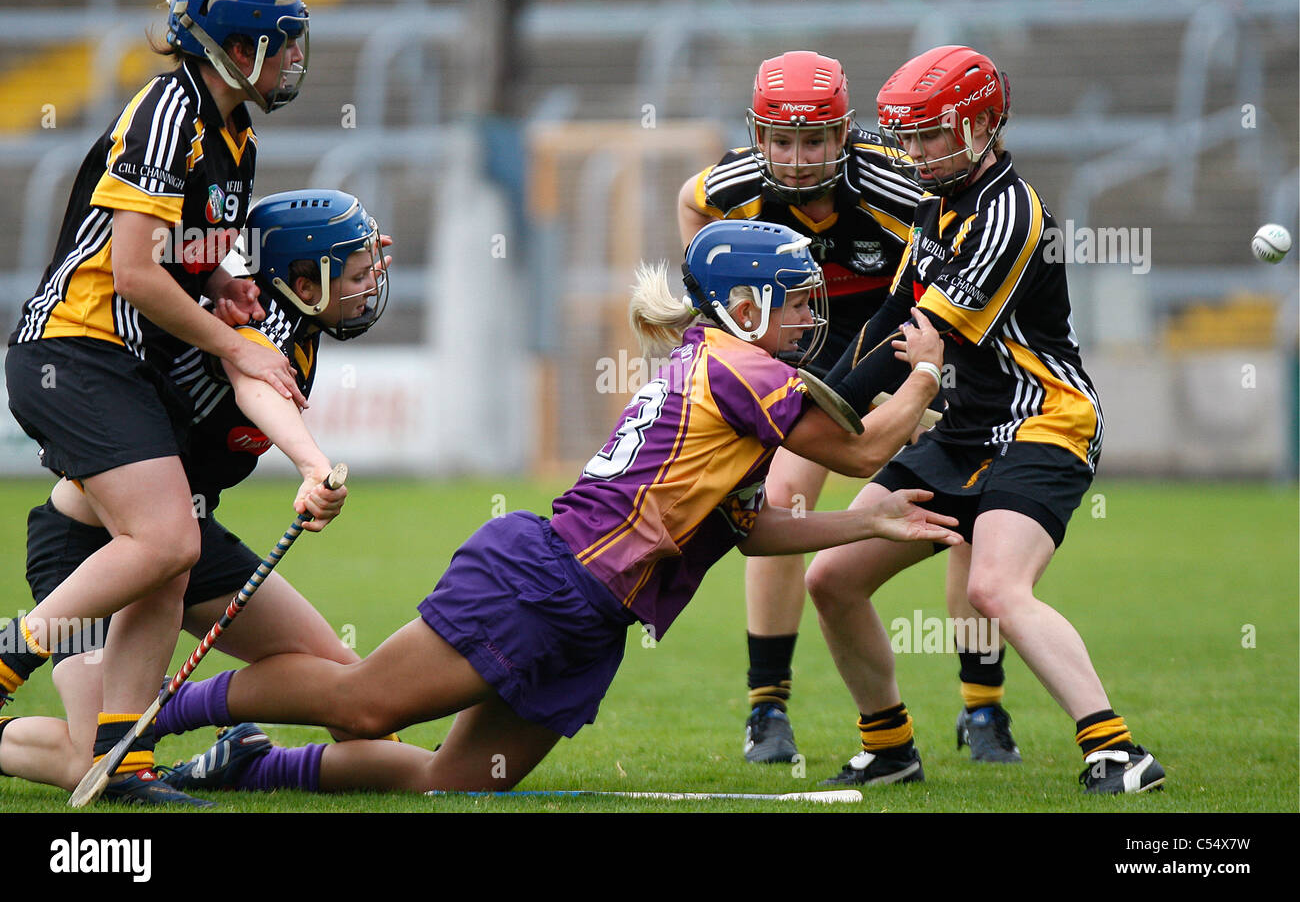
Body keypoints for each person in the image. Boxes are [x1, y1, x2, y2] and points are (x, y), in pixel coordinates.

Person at [104, 219, 961, 797]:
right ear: (745, 307)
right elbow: (862, 449)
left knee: (453, 784)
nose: (811, 316)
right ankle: (156, 716)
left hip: (593, 613)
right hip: (548, 583)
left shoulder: (727, 372)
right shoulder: (744, 368)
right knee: (364, 705)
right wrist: (926, 368)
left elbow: (745, 528)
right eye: (800, 300)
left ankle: (248, 768)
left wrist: (865, 522)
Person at [807, 45, 1164, 793]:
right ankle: (890, 748)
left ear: (980, 125)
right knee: (832, 578)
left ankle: (1117, 752)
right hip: (966, 428)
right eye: (907, 137)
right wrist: (812, 402)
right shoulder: (935, 205)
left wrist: (805, 420)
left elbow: (921, 340)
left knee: (994, 587)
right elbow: (890, 317)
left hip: (1044, 423)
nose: (915, 153)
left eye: (931, 134)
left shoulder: (1010, 213)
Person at [0, 0, 315, 805]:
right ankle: (8, 659)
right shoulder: (169, 111)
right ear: (235, 48)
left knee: (167, 562)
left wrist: (221, 282)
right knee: (169, 542)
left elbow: (178, 252)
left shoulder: (236, 136)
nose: (294, 60)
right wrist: (238, 346)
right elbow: (134, 274)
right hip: (74, 348)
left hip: (120, 362)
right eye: (283, 45)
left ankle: (122, 761)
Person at [676, 51, 1019, 765]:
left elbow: (953, 277)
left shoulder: (899, 181)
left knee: (970, 516)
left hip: (907, 340)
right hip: (805, 346)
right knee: (782, 499)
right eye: (781, 140)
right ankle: (767, 708)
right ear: (758, 135)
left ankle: (982, 706)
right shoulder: (737, 180)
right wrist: (722, 313)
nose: (796, 159)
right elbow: (692, 202)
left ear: (844, 133)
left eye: (814, 140)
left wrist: (928, 375)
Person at [0, 189, 389, 804]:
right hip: (89, 548)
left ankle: (236, 765)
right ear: (303, 284)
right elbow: (255, 386)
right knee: (92, 759)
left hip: (184, 537)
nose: (370, 288)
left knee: (346, 683)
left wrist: (356, 250)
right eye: (359, 275)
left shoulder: (294, 317)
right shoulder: (252, 324)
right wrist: (312, 464)